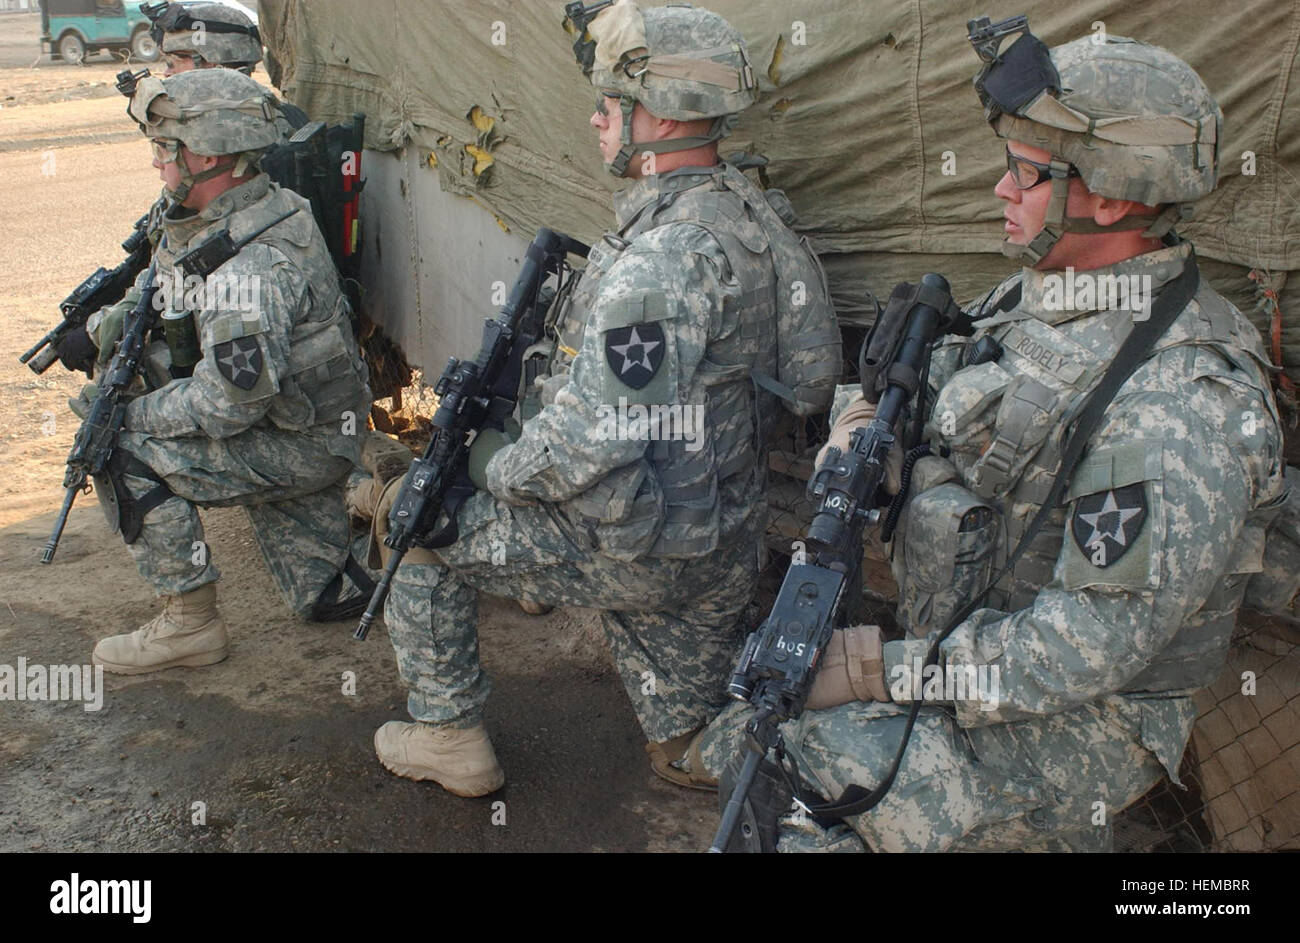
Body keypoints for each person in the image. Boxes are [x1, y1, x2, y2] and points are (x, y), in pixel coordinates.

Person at [707, 22, 1289, 852]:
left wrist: (880, 670)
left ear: (1113, 194)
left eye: (1027, 172)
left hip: (1080, 715)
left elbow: (1085, 650)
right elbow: (921, 380)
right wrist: (859, 425)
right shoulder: (1044, 296)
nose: (1000, 190)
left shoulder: (1177, 399)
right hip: (965, 655)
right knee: (752, 744)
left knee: (806, 791)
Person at [367, 0, 837, 797]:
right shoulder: (755, 216)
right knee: (686, 750)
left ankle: (450, 736)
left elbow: (586, 447)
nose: (594, 121)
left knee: (414, 516)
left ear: (654, 115)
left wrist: (487, 466)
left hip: (642, 548)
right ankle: (834, 729)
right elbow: (814, 375)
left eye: (607, 104)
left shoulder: (660, 263)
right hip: (721, 540)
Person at [75, 68, 372, 674]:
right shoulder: (265, 204)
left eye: (166, 150)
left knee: (116, 446)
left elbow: (227, 406)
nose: (159, 166)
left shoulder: (248, 273)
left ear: (208, 154)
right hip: (314, 420)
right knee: (325, 600)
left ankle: (190, 625)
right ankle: (371, 513)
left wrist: (130, 415)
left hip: (298, 439)